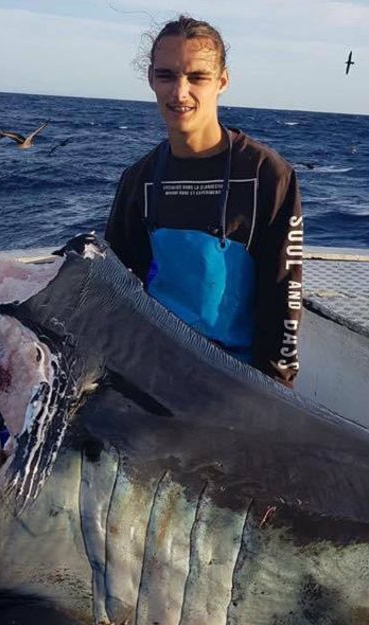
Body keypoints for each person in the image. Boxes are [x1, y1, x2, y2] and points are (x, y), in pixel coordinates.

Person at [105, 15, 303, 387]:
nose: (180, 93)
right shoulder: (139, 179)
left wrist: (273, 395)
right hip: (155, 377)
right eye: (166, 76)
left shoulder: (266, 175)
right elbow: (117, 291)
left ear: (222, 82)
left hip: (236, 384)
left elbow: (283, 298)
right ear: (151, 79)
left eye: (197, 77)